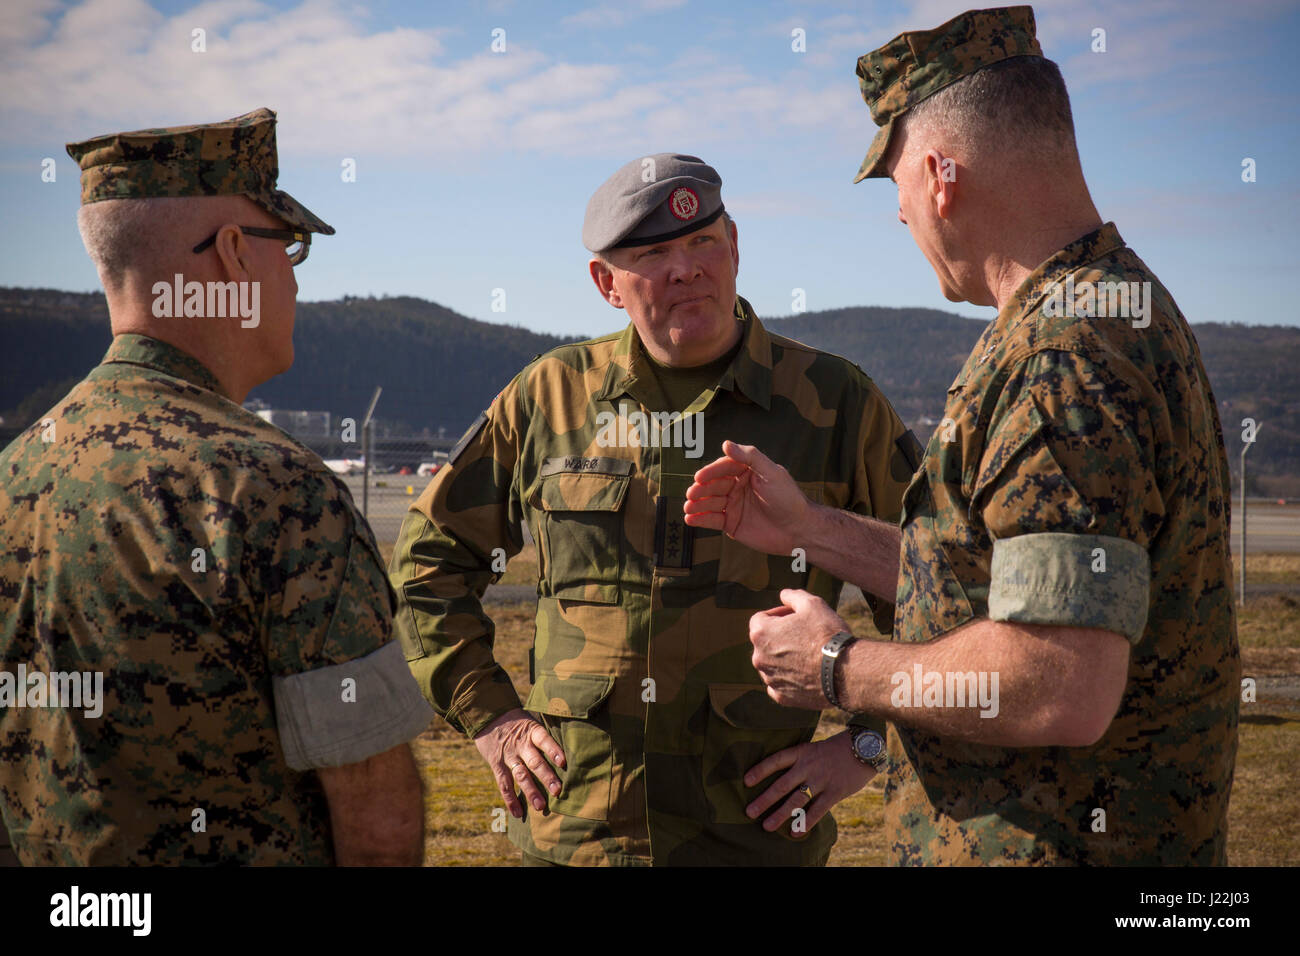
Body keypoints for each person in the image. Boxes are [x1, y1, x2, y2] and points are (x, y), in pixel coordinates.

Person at [685, 6, 1240, 865]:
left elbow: (1060, 684)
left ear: (941, 176)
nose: (902, 217)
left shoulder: (1065, 356)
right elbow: (994, 582)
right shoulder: (1109, 306)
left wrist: (837, 667)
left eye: (898, 185)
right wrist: (810, 529)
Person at [389, 153, 919, 865]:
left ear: (733, 248)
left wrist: (864, 745)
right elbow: (429, 564)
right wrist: (493, 720)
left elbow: (938, 583)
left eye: (702, 242)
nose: (685, 268)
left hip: (755, 837)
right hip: (578, 833)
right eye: (652, 253)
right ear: (607, 284)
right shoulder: (549, 397)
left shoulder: (835, 400)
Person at [0, 108, 433, 865]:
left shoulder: (14, 474)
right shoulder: (275, 492)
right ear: (235, 254)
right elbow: (375, 813)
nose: (295, 277)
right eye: (289, 246)